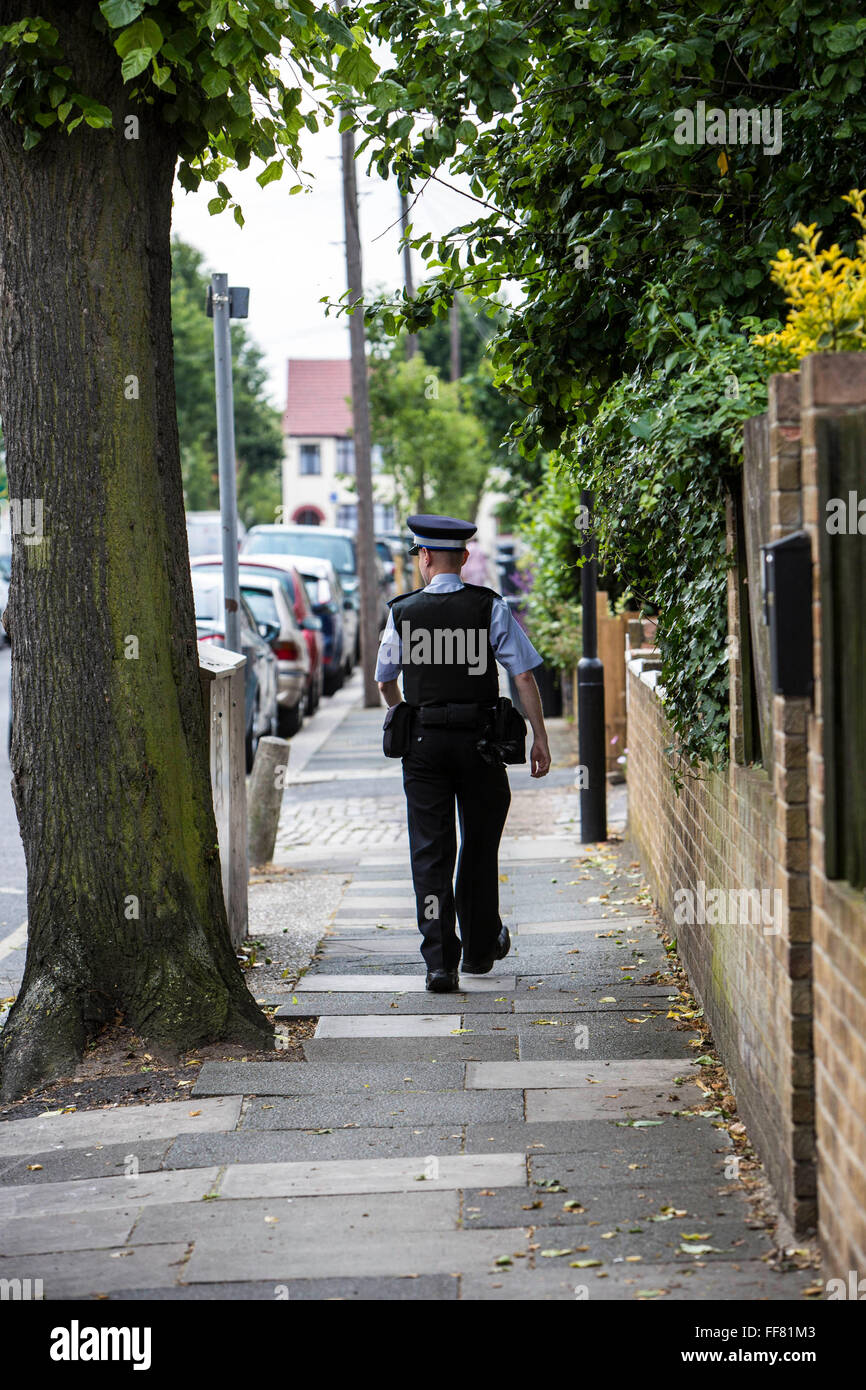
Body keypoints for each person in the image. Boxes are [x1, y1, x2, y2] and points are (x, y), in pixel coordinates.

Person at [375, 513, 551, 993]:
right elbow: (523, 676)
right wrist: (539, 736)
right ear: (465, 556)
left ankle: (439, 964)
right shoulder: (488, 607)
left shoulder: (402, 611)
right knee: (478, 846)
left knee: (430, 851)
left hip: (425, 747)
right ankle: (478, 950)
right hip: (481, 746)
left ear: (425, 557)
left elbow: (385, 680)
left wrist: (404, 716)